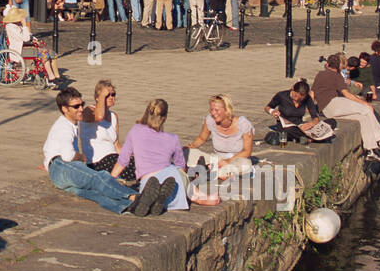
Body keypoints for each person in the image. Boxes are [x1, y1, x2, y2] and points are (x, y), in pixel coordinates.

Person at [43, 88, 176, 215]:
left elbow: (50, 150)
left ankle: (130, 207)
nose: (81, 109)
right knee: (99, 177)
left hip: (58, 170)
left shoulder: (69, 125)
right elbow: (68, 155)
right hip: (62, 166)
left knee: (93, 193)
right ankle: (136, 197)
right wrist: (81, 157)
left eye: (82, 104)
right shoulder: (64, 127)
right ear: (64, 109)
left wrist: (49, 163)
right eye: (76, 106)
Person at [111, 98, 216, 210]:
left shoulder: (135, 130)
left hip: (147, 181)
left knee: (154, 187)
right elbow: (181, 167)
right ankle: (195, 195)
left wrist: (110, 179)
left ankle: (157, 200)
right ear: (164, 117)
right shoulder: (173, 139)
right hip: (174, 180)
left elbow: (122, 161)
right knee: (180, 174)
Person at [311, 54, 380, 159]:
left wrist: (312, 111)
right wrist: (365, 103)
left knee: (362, 118)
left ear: (327, 64)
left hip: (326, 111)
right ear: (339, 66)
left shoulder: (319, 74)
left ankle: (370, 150)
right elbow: (347, 94)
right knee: (367, 110)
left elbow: (312, 93)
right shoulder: (337, 76)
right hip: (334, 103)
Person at [188, 94, 255, 187]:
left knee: (246, 166)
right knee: (190, 154)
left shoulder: (243, 124)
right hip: (216, 160)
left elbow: (247, 152)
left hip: (236, 160)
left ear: (227, 110)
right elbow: (201, 138)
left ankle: (210, 172)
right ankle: (215, 172)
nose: (213, 113)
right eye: (211, 109)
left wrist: (227, 161)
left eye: (216, 110)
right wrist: (190, 147)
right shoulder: (210, 120)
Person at [3, 5, 59, 83]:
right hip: (19, 50)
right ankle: (51, 77)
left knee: (51, 53)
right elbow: (25, 38)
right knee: (44, 53)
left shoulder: (17, 25)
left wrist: (34, 39)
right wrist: (25, 25)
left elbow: (29, 35)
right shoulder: (11, 27)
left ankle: (56, 76)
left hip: (25, 47)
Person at [265, 80, 330, 141]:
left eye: (300, 99)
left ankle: (307, 138)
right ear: (293, 88)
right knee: (288, 132)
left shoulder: (307, 98)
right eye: (295, 95)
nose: (296, 99)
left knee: (331, 122)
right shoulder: (282, 95)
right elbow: (267, 107)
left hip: (300, 125)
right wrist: (272, 111)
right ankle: (310, 138)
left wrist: (311, 124)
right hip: (286, 127)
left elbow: (314, 116)